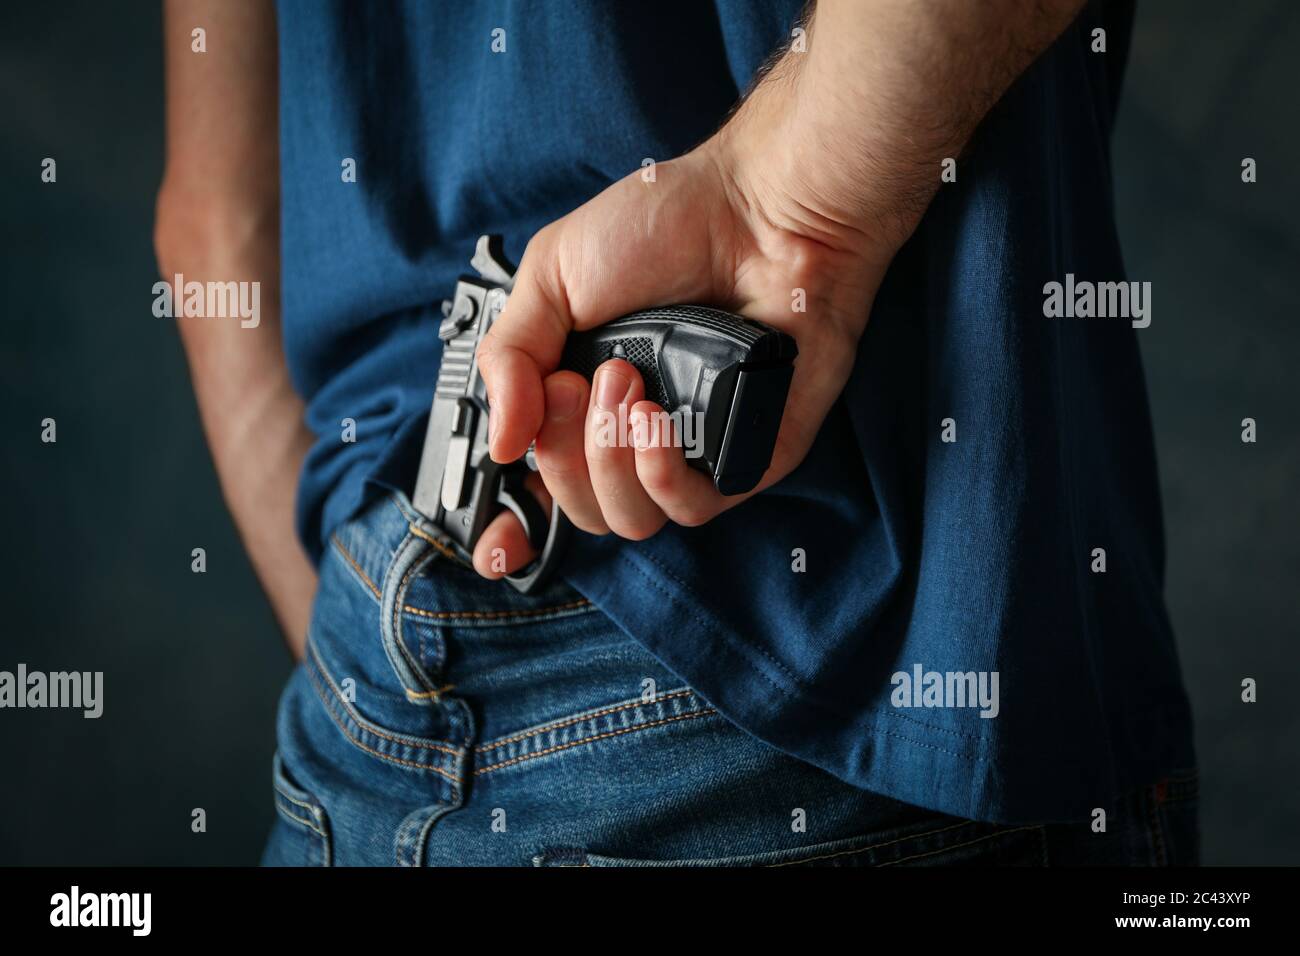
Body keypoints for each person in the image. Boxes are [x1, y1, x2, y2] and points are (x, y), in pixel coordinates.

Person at [156, 0, 1198, 866]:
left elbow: (213, 224)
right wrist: (796, 215)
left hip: (360, 719)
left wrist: (375, 657)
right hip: (832, 683)